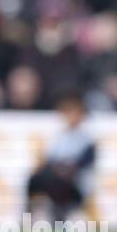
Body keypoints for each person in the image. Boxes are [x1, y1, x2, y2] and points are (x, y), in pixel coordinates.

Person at [24, 91, 96, 222]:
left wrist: (64, 169)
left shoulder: (87, 140)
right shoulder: (59, 137)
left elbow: (84, 165)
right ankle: (27, 216)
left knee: (58, 180)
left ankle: (59, 215)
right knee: (35, 179)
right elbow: (48, 159)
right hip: (55, 177)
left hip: (74, 183)